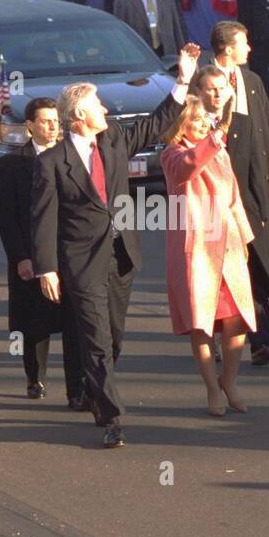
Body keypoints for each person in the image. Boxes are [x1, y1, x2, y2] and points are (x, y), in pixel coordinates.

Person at [31, 47, 199, 448]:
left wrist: (183, 80)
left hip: (121, 255)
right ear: (79, 118)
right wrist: (46, 268)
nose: (104, 110)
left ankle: (94, 388)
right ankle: (111, 417)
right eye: (97, 106)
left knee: (115, 336)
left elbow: (159, 122)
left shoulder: (115, 140)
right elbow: (44, 218)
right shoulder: (52, 161)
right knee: (96, 340)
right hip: (80, 263)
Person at [161, 94, 256, 416]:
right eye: (196, 120)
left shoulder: (218, 150)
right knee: (201, 321)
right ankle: (212, 389)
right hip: (197, 245)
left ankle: (229, 381)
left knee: (236, 318)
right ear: (180, 125)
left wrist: (244, 237)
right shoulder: (172, 153)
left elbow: (233, 197)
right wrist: (214, 140)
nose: (204, 124)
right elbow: (187, 169)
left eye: (206, 119)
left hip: (226, 240)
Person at [206, 23, 269, 365]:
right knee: (241, 259)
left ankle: (252, 336)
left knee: (251, 255)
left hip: (258, 181)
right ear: (228, 49)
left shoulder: (252, 81)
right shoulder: (207, 83)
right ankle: (262, 338)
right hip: (225, 185)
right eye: (244, 43)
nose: (250, 49)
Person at [0, 98, 84, 406]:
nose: (52, 126)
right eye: (45, 121)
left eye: (55, 120)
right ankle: (35, 376)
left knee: (73, 321)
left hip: (68, 254)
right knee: (34, 323)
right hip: (29, 256)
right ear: (30, 126)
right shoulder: (12, 164)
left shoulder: (71, 157)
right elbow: (6, 216)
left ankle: (77, 388)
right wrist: (21, 257)